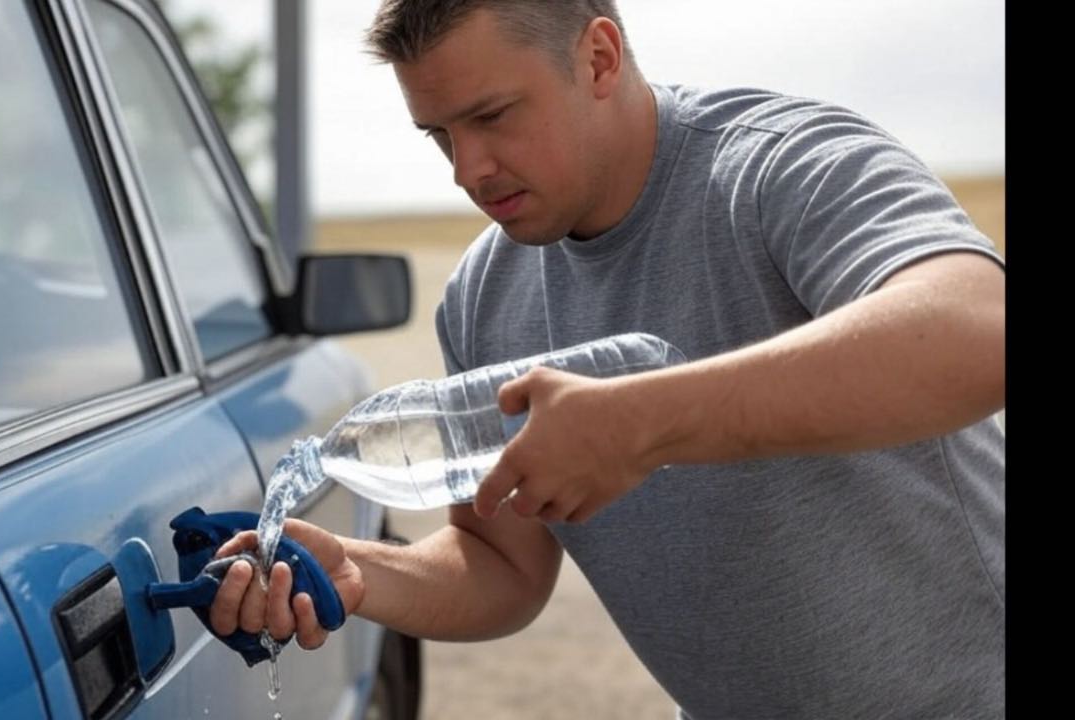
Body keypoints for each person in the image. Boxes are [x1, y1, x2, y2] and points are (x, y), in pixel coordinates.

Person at [208, 2, 1005, 717]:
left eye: (493, 116)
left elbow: (980, 329)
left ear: (598, 58)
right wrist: (360, 572)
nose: (467, 170)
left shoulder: (781, 166)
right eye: (441, 134)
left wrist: (643, 421)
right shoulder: (483, 296)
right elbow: (501, 565)